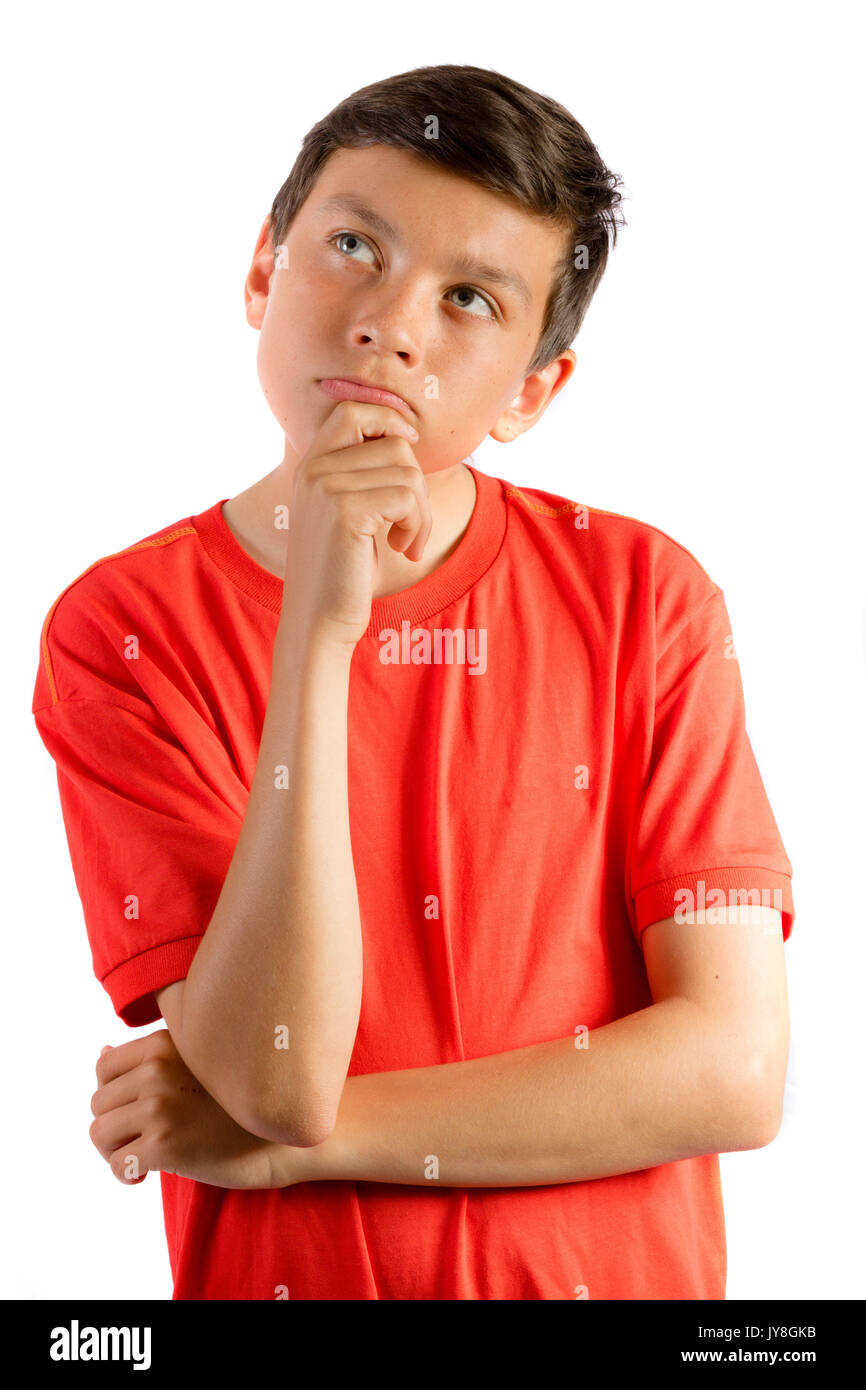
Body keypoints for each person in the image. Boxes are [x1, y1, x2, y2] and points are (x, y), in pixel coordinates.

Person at [32, 64, 794, 1300]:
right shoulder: (120, 630)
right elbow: (277, 1069)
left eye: (470, 298)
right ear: (262, 270)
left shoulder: (646, 599)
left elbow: (730, 1069)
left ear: (531, 394)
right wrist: (317, 637)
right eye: (350, 245)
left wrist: (302, 1151)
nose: (390, 323)